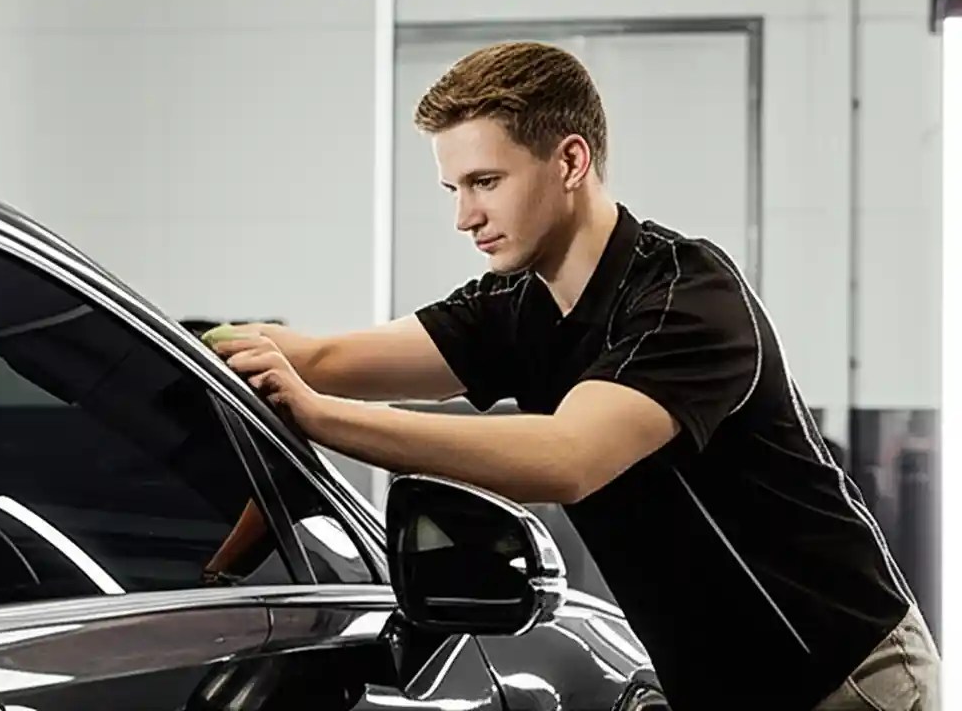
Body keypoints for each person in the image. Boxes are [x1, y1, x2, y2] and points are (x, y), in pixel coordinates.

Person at [209, 41, 939, 710]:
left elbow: (566, 458)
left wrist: (320, 417)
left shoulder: (685, 296)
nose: (465, 216)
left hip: (844, 677)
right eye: (453, 188)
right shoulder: (514, 306)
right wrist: (201, 345)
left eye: (485, 182)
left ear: (569, 162)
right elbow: (323, 359)